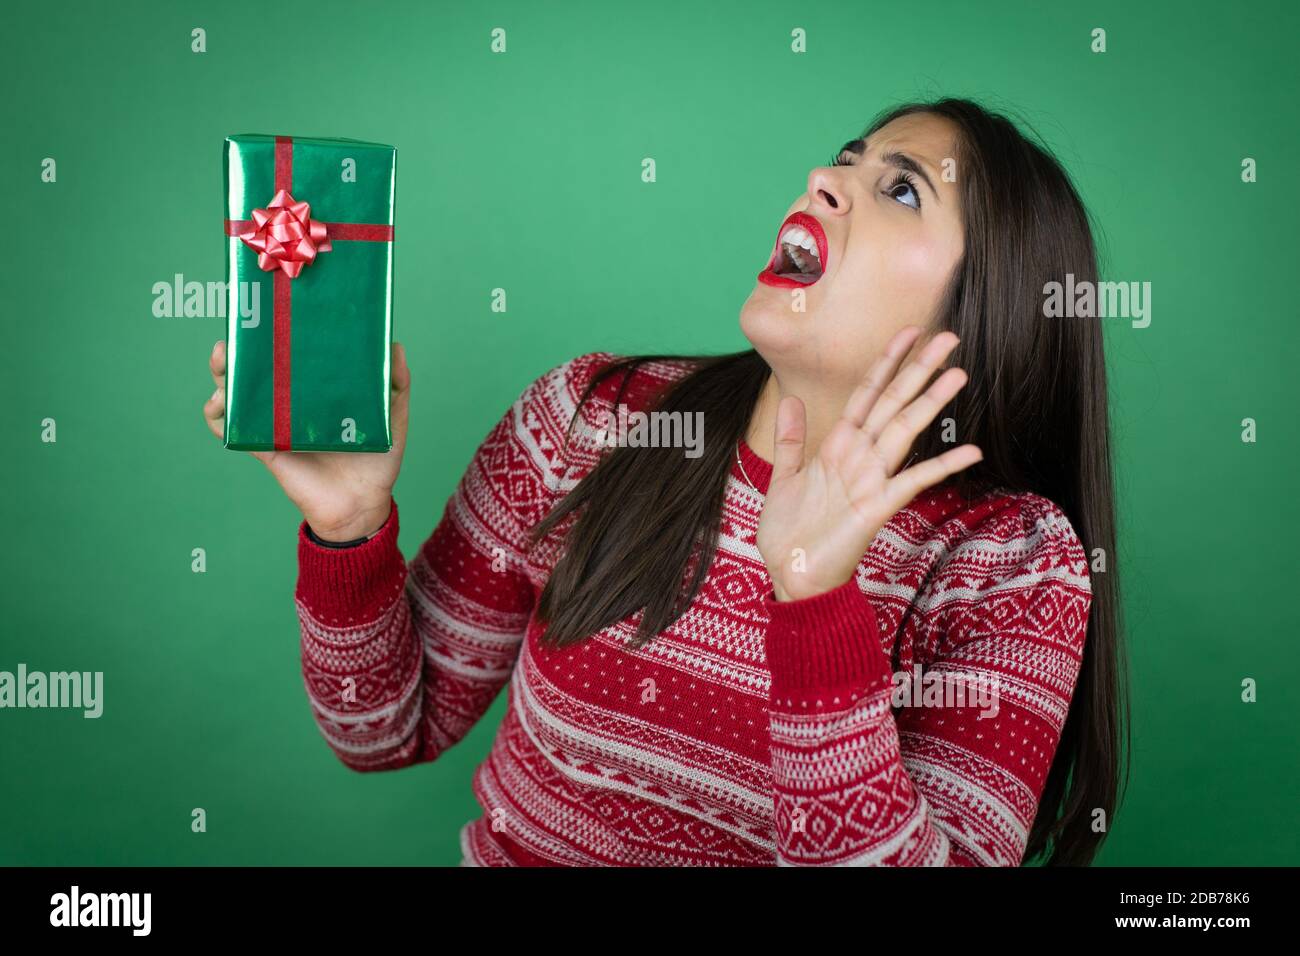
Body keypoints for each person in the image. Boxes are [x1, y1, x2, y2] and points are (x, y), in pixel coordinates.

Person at [203, 97, 1126, 866]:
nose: (825, 180)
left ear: (987, 302)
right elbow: (386, 734)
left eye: (900, 188)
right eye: (847, 159)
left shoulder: (1014, 560)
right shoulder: (591, 415)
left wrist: (816, 602)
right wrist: (349, 528)